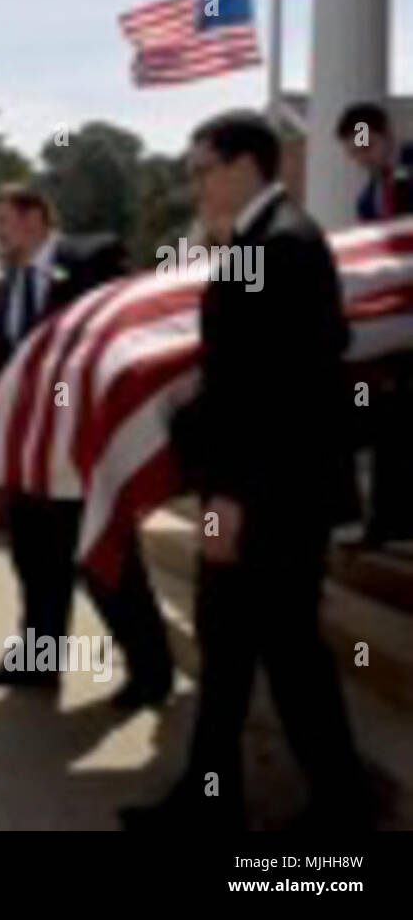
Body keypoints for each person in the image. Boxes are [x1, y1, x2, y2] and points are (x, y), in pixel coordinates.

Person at [123, 111, 365, 830]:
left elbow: (278, 394)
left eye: (201, 169)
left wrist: (230, 495)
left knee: (285, 652)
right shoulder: (260, 243)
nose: (194, 184)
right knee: (232, 647)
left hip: (271, 496)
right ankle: (212, 798)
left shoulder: (281, 245)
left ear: (242, 165)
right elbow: (253, 368)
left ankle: (338, 806)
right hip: (265, 489)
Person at [0, 184, 172, 711]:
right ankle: (38, 661)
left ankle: (151, 669)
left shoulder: (91, 257)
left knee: (105, 558)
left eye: (4, 221)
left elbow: (124, 332)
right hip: (32, 450)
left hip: (85, 444)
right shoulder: (7, 284)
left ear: (35, 217)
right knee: (34, 559)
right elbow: (5, 362)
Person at [334, 101, 413, 546]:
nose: (359, 157)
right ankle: (388, 521)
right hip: (395, 330)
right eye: (352, 152)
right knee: (385, 416)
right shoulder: (368, 196)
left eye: (362, 146)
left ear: (382, 134)